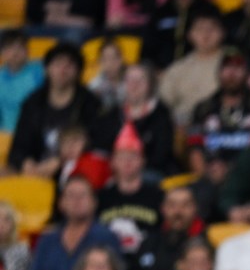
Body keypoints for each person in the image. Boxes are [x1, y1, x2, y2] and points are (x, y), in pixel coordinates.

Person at [27, 177, 123, 270]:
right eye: (70, 195)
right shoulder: (47, 239)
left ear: (94, 202)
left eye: (82, 195)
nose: (76, 201)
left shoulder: (106, 237)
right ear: (61, 203)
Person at [8, 43, 99, 177]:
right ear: (46, 69)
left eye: (69, 65)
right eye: (57, 64)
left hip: (73, 168)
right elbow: (18, 146)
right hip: (35, 169)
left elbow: (92, 144)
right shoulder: (32, 102)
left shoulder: (90, 103)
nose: (63, 70)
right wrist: (25, 162)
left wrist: (60, 161)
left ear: (78, 71)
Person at [91, 61, 177, 177]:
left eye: (140, 80)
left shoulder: (161, 113)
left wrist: (131, 167)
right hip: (113, 172)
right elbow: (100, 147)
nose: (134, 85)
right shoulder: (112, 114)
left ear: (150, 85)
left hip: (149, 171)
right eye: (130, 80)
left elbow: (161, 153)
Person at [97, 125, 164, 260]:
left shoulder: (158, 196)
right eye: (121, 157)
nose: (127, 162)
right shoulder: (99, 198)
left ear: (143, 161)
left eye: (133, 157)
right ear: (113, 162)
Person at [141, 0, 216, 70]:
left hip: (200, 71)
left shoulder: (210, 10)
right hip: (162, 73)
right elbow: (147, 50)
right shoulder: (160, 12)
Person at [158, 12, 226, 126]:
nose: (206, 34)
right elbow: (164, 103)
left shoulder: (232, 64)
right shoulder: (178, 68)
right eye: (200, 29)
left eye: (211, 29)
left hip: (222, 124)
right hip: (183, 127)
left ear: (222, 33)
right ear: (190, 35)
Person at [0, 30, 44, 134]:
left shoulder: (40, 70)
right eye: (10, 47)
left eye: (20, 47)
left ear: (28, 50)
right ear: (2, 52)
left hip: (35, 133)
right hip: (6, 134)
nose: (15, 52)